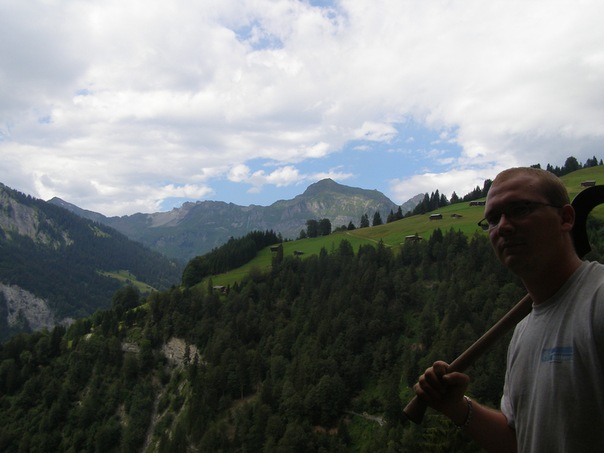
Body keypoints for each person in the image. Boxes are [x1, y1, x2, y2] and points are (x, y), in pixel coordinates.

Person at [413, 167, 604, 452]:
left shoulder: (598, 301)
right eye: (493, 219)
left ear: (565, 218)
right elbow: (520, 440)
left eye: (520, 209)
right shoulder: (522, 333)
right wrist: (456, 407)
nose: (502, 226)